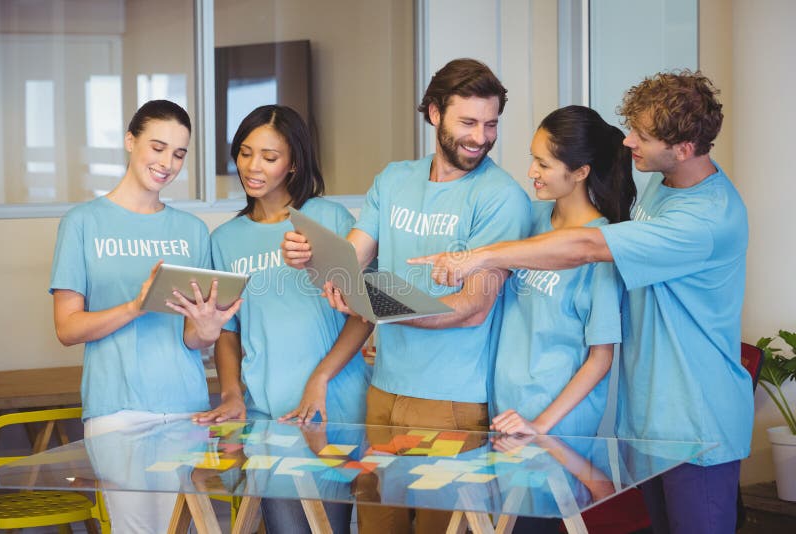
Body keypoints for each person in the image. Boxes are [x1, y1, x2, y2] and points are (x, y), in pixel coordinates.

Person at [413, 70, 752, 533]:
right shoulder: (663, 184)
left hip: (698, 426)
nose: (629, 141)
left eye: (645, 136)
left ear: (685, 148)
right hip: (647, 422)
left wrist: (479, 257)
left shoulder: (707, 220)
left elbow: (588, 247)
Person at [283, 58, 533, 533]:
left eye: (490, 124)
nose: (480, 137)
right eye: (468, 122)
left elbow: (473, 308)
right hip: (383, 393)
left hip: (452, 404)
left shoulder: (502, 198)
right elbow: (352, 260)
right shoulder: (395, 179)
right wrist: (314, 259)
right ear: (435, 113)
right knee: (379, 526)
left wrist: (376, 305)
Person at [50, 99, 239, 532]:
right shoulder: (83, 223)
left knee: (183, 528)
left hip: (187, 408)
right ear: (130, 141)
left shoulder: (191, 231)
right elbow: (67, 328)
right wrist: (135, 306)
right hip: (117, 409)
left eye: (178, 153)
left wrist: (209, 328)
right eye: (158, 147)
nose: (167, 163)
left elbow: (193, 336)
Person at [193, 105, 371, 534]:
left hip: (334, 408)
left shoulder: (330, 219)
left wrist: (320, 378)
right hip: (267, 416)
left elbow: (364, 313)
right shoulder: (225, 240)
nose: (253, 167)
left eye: (270, 157)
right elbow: (227, 331)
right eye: (245, 153)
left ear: (293, 163)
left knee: (331, 526)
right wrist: (232, 394)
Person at [486, 105, 635, 533]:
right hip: (506, 418)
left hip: (558, 432)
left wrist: (541, 426)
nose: (531, 171)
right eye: (533, 158)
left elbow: (600, 358)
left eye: (543, 163)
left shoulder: (602, 248)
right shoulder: (530, 221)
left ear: (581, 171)